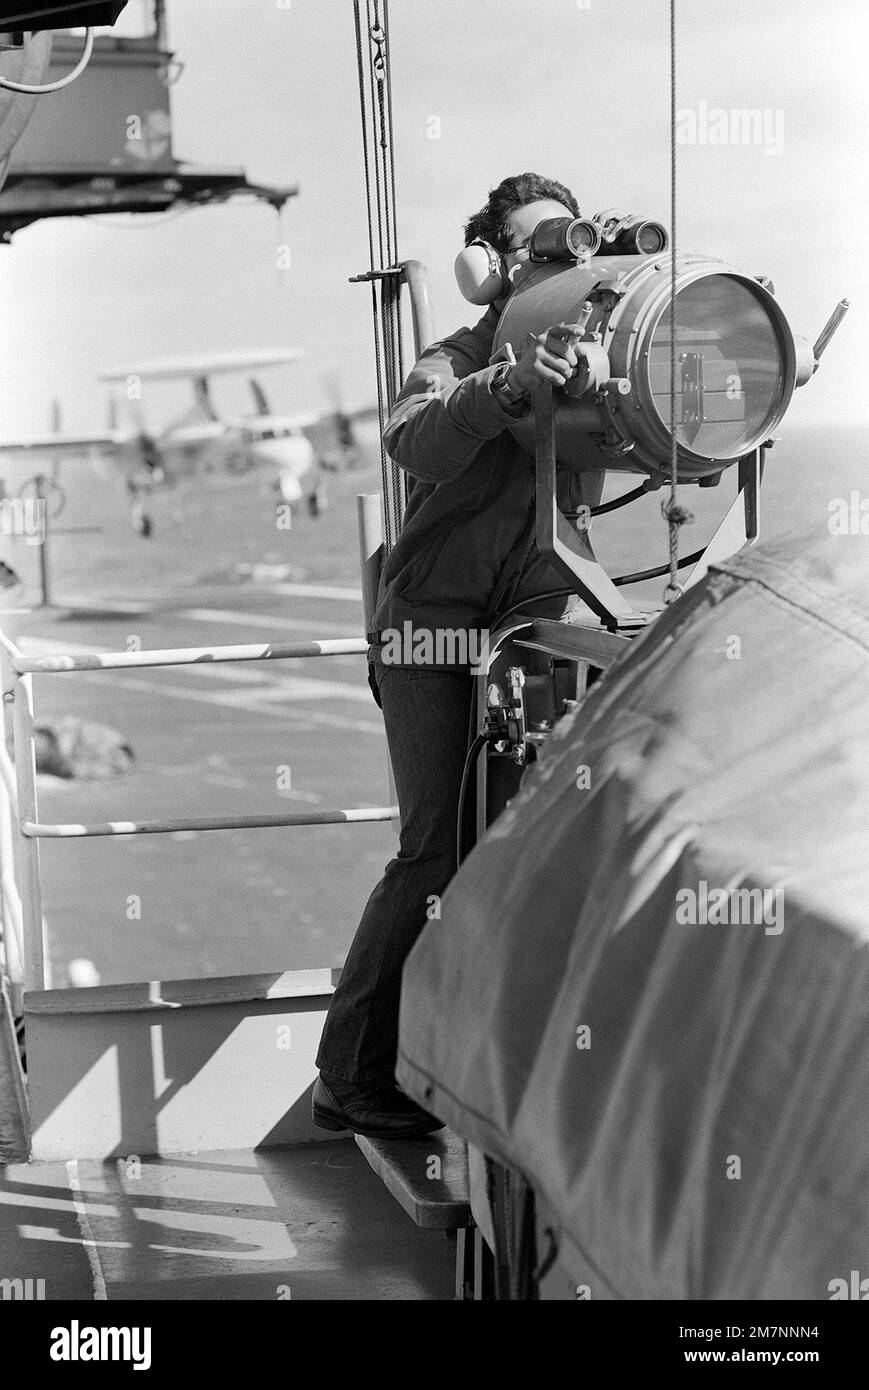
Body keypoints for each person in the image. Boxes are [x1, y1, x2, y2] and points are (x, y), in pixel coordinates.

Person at [312, 173, 605, 1137]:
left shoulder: (595, 350)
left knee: (539, 846)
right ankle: (349, 1076)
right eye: (532, 249)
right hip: (430, 625)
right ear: (486, 269)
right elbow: (418, 443)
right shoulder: (454, 357)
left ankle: (482, 1064)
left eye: (565, 248)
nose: (551, 266)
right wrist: (511, 381)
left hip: (536, 609)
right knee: (433, 851)